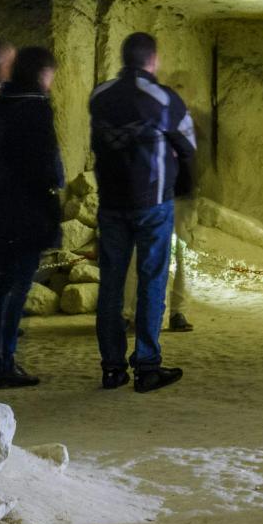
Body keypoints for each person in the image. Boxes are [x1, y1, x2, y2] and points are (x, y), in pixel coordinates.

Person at [91, 31, 197, 393]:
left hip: (110, 202)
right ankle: (147, 365)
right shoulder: (164, 98)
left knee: (111, 285)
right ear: (153, 60)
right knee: (151, 281)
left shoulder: (99, 96)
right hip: (152, 202)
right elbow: (188, 146)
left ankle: (112, 367)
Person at [0, 46, 64, 390]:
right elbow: (44, 165)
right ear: (42, 74)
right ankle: (1, 362)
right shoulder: (35, 110)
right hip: (26, 212)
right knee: (15, 288)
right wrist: (52, 196)